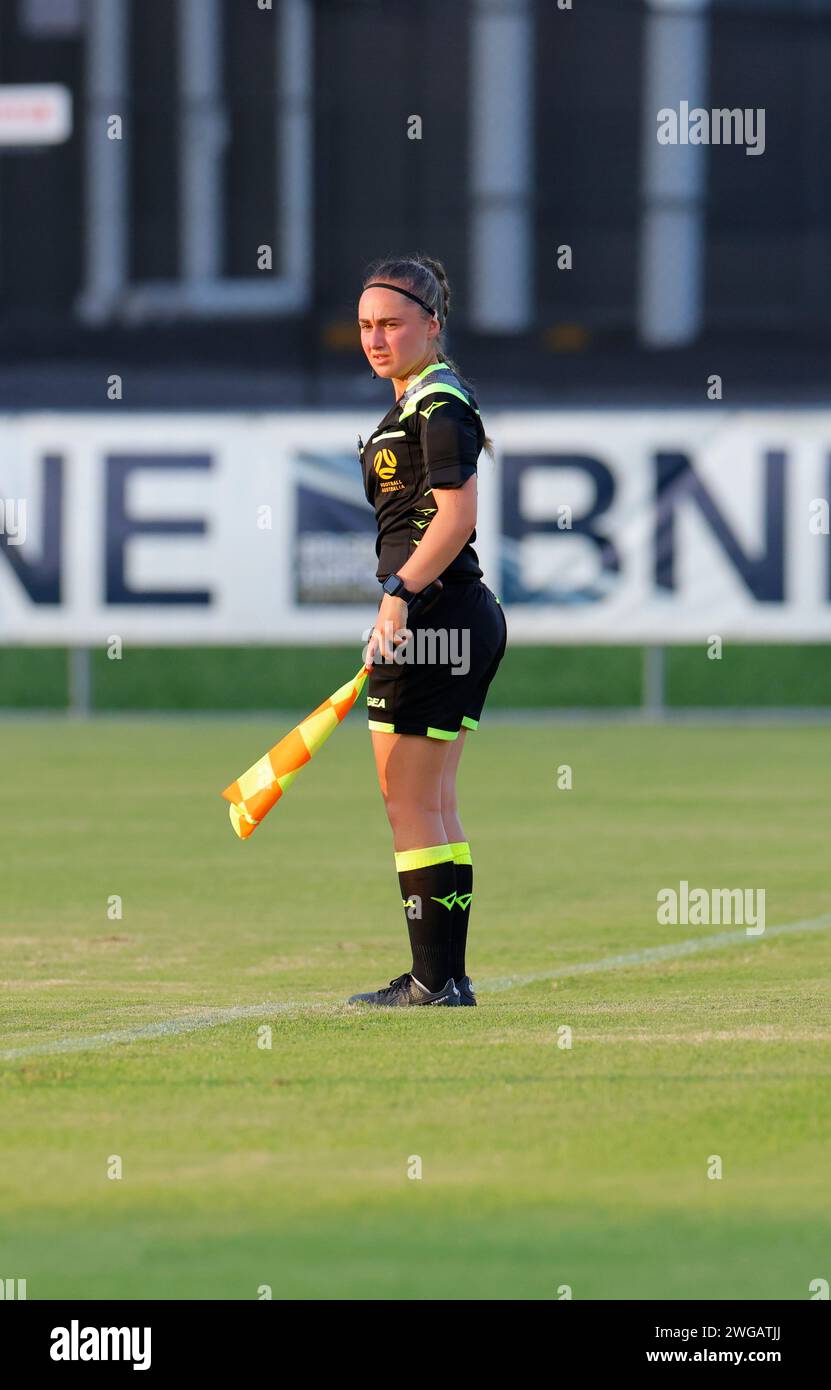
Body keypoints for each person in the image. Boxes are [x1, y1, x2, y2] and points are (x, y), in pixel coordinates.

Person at [348, 253, 508, 1008]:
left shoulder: (437, 405)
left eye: (392, 324)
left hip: (436, 614)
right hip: (452, 615)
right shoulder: (419, 401)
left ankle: (432, 979)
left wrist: (397, 596)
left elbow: (456, 516)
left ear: (432, 325)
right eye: (365, 326)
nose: (376, 339)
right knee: (429, 802)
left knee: (407, 800)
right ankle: (442, 978)